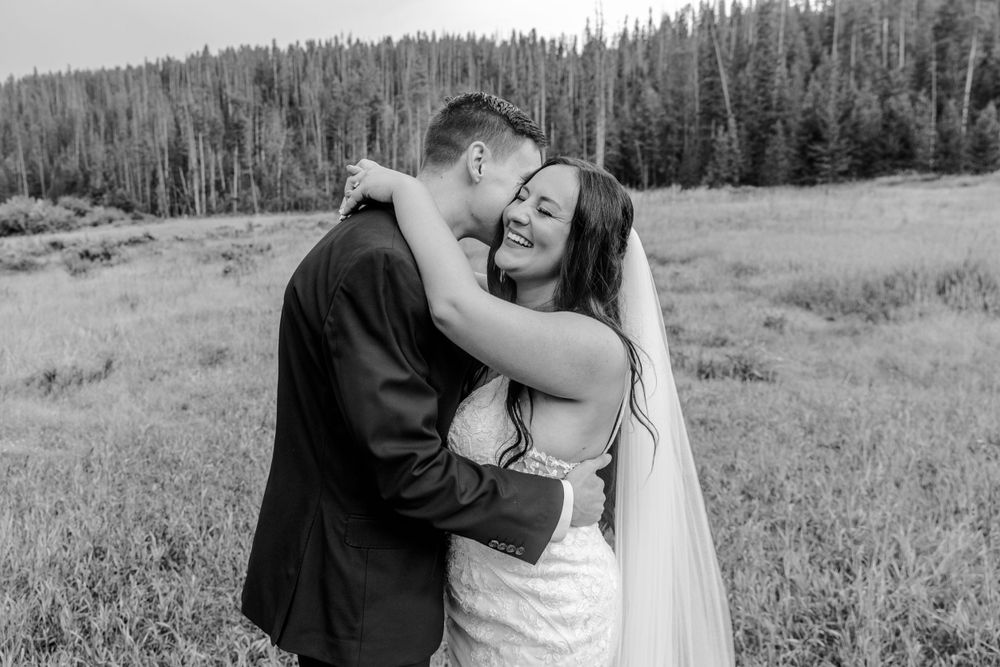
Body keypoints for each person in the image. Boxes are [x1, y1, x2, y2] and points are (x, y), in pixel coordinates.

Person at [240, 93, 611, 667]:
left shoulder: (414, 257)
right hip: (360, 585)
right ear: (479, 162)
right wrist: (557, 501)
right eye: (521, 185)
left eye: (540, 202)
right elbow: (406, 466)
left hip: (458, 597)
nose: (518, 207)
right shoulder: (381, 260)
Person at [340, 155, 736, 665]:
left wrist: (405, 190)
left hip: (549, 616)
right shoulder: (510, 322)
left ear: (583, 244)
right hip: (478, 607)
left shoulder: (592, 346)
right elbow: (447, 277)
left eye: (546, 211)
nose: (518, 213)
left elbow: (451, 304)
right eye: (522, 196)